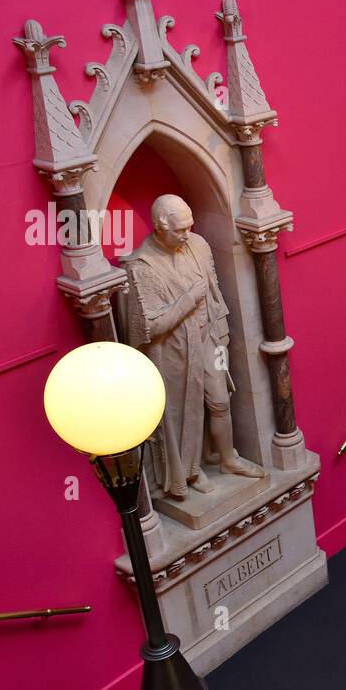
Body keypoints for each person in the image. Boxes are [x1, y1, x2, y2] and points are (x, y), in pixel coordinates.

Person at [123, 194, 266, 499]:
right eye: (179, 230)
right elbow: (150, 327)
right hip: (173, 350)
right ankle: (190, 470)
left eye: (189, 226)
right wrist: (188, 299)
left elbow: (213, 291)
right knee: (182, 411)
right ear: (160, 227)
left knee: (219, 401)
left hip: (210, 337)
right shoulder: (141, 267)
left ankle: (227, 458)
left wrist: (222, 330)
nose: (187, 234)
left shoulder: (198, 245)